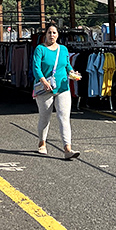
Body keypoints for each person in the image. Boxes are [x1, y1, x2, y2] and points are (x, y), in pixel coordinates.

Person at [32, 22, 80, 159]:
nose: (52, 35)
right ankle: (42, 142)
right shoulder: (40, 49)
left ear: (58, 35)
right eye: (49, 32)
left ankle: (67, 148)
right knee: (45, 117)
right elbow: (36, 67)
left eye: (54, 33)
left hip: (63, 87)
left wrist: (72, 73)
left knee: (64, 118)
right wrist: (43, 81)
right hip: (45, 89)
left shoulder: (63, 49)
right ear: (45, 34)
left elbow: (67, 65)